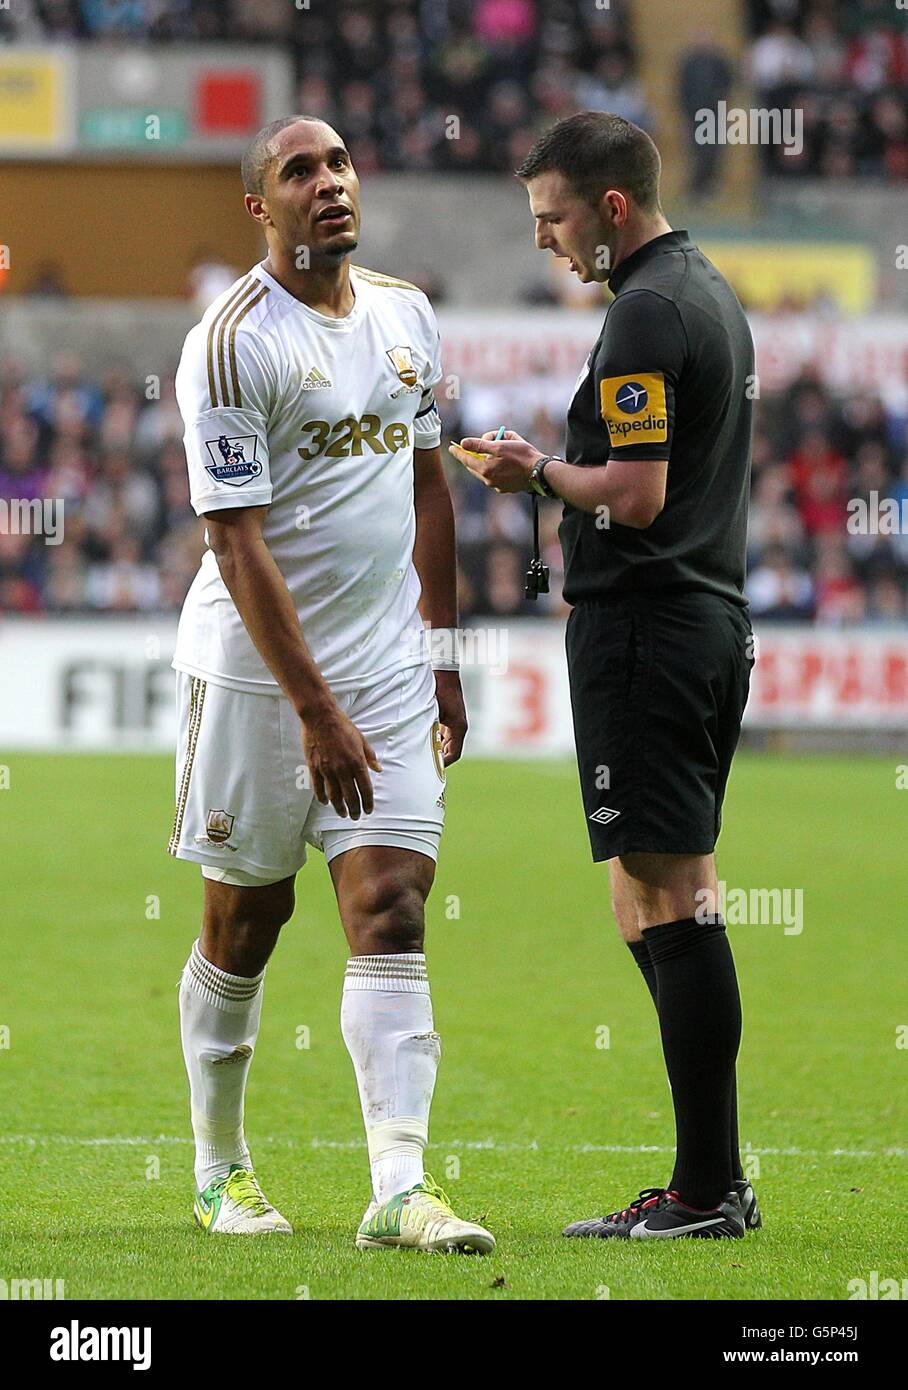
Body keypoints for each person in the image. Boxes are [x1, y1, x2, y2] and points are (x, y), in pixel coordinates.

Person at [169, 114, 494, 1253]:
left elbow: (427, 493)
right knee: (245, 917)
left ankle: (399, 1187)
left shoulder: (407, 316)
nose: (330, 184)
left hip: (390, 669)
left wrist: (442, 661)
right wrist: (313, 711)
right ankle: (219, 1170)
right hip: (258, 682)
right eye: (300, 171)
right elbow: (235, 542)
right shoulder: (231, 343)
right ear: (261, 206)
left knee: (390, 905)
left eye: (341, 163)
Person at [451, 111, 759, 1240]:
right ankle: (710, 1170)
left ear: (608, 207)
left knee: (664, 896)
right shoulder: (703, 290)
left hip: (651, 631)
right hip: (694, 622)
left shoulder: (641, 309)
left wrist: (535, 471)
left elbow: (632, 495)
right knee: (646, 900)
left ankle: (704, 1190)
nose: (544, 241)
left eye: (551, 218)